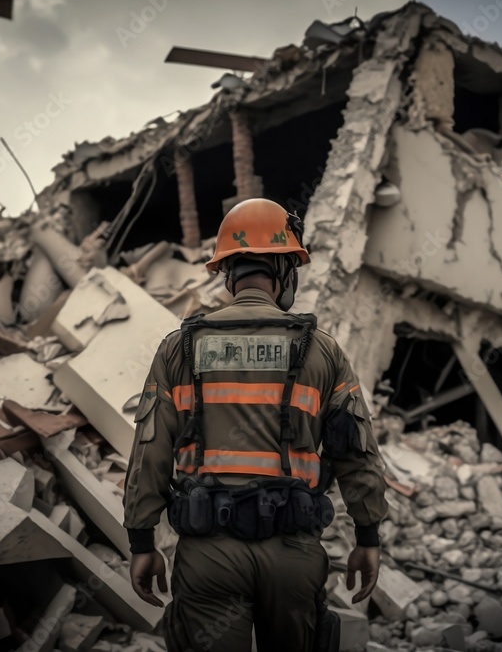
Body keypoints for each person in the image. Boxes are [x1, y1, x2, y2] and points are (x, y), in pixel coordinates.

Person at [123, 198, 388, 652]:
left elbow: (150, 451)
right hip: (293, 555)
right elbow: (356, 450)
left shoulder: (178, 348)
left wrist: (141, 541)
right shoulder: (321, 350)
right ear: (285, 267)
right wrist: (367, 534)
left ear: (227, 272)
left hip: (208, 557)